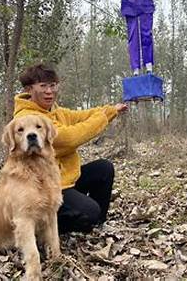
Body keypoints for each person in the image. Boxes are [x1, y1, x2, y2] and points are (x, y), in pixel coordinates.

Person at [13, 63, 128, 233]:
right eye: (43, 86)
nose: (49, 91)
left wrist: (111, 110)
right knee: (90, 212)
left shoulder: (54, 111)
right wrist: (104, 117)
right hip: (45, 189)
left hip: (64, 181)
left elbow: (80, 116)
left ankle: (97, 225)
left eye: (53, 85)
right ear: (29, 89)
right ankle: (42, 227)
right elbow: (70, 138)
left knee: (103, 168)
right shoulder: (28, 118)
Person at [121, 0, 155, 76]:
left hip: (145, 0)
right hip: (129, 2)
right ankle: (135, 68)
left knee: (146, 33)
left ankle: (148, 65)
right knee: (133, 36)